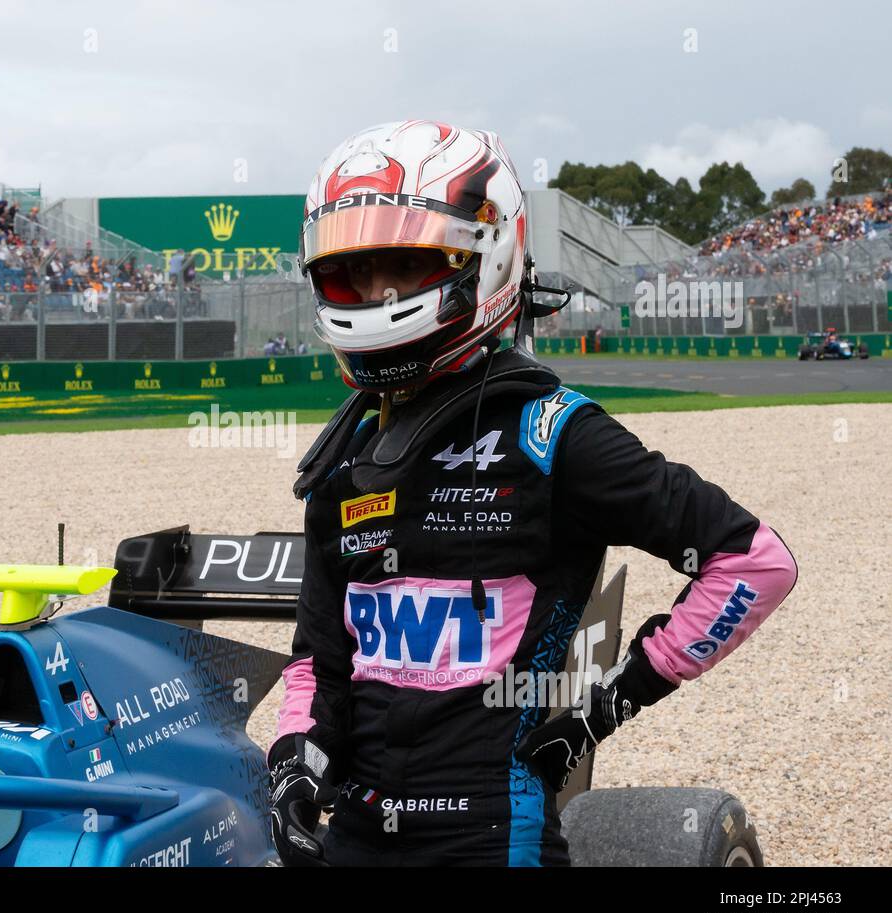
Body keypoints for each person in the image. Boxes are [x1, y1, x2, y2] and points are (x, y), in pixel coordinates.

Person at [267, 121, 798, 867]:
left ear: (488, 254)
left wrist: (609, 705)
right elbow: (318, 664)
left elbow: (754, 563)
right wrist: (294, 763)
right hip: (352, 835)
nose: (377, 295)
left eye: (403, 267)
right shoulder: (343, 457)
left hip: (492, 837)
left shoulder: (553, 434)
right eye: (354, 272)